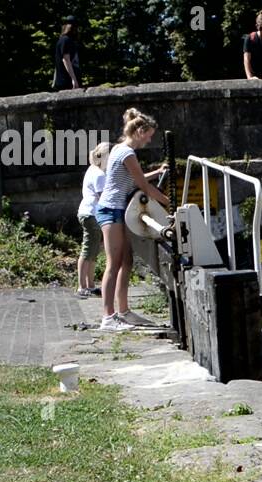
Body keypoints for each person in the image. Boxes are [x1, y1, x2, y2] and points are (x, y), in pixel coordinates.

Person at [95, 108, 169, 332]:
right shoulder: (127, 153)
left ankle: (124, 312)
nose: (149, 139)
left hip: (116, 210)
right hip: (111, 210)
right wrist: (167, 203)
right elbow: (143, 186)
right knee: (113, 264)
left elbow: (132, 179)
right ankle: (108, 318)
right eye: (148, 135)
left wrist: (156, 172)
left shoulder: (119, 149)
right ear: (139, 131)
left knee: (126, 261)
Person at [76, 142, 110, 298]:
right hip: (91, 213)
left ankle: (90, 285)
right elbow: (104, 197)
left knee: (93, 251)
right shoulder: (99, 174)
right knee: (88, 249)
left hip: (89, 212)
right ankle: (82, 286)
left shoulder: (92, 169)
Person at [53, 17, 81, 91]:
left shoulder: (68, 40)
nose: (77, 30)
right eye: (76, 27)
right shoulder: (65, 40)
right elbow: (66, 60)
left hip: (69, 82)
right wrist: (73, 79)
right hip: (66, 82)